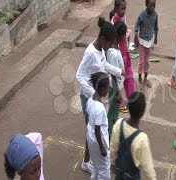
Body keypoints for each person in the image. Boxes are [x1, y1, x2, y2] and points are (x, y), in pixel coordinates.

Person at [76, 17, 124, 173]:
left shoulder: (101, 50)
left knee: (96, 129)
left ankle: (90, 160)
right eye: (110, 43)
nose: (110, 46)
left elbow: (104, 65)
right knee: (92, 131)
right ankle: (87, 162)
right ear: (103, 39)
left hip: (98, 96)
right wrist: (92, 93)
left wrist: (118, 71)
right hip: (90, 97)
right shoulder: (90, 53)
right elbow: (79, 75)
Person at [110, 91, 157, 180]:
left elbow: (112, 148)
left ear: (127, 107)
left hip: (119, 172)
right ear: (142, 112)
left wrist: (112, 163)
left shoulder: (118, 124)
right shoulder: (142, 138)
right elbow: (148, 167)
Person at [110, 0, 135, 114]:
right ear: (116, 9)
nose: (123, 11)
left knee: (129, 75)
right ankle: (119, 102)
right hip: (117, 54)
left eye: (125, 8)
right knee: (119, 78)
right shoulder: (113, 22)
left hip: (124, 52)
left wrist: (127, 52)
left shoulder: (123, 18)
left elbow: (124, 36)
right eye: (121, 8)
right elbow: (113, 41)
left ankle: (131, 99)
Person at [86, 72, 111, 180]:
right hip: (98, 141)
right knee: (104, 169)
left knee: (96, 164)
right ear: (101, 89)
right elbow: (97, 129)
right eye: (107, 87)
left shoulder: (90, 100)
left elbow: (88, 118)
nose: (108, 89)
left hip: (91, 138)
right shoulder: (100, 108)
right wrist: (102, 147)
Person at [107, 21, 127, 137]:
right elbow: (113, 74)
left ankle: (112, 132)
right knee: (112, 113)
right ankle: (109, 135)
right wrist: (117, 92)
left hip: (115, 87)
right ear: (121, 36)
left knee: (114, 112)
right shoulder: (113, 53)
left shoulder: (115, 47)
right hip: (113, 88)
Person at [134, 0, 159, 89]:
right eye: (151, 6)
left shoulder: (155, 15)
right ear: (146, 5)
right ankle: (140, 79)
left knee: (147, 61)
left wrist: (156, 38)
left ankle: (145, 78)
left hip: (149, 40)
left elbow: (156, 27)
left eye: (154, 6)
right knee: (141, 61)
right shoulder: (141, 15)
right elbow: (136, 27)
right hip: (141, 41)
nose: (152, 8)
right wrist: (136, 37)